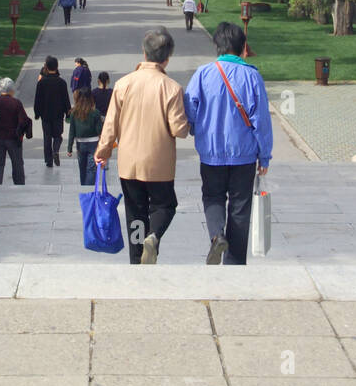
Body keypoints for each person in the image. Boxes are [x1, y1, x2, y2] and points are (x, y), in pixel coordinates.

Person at [95, 27, 190, 265]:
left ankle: (137, 258)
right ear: (168, 57)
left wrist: (103, 151)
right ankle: (154, 236)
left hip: (129, 162)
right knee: (164, 205)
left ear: (143, 53)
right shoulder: (172, 88)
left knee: (135, 212)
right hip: (158, 163)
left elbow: (110, 125)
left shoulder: (123, 84)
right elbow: (179, 129)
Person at [183, 22, 273, 265]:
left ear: (217, 46)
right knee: (240, 208)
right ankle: (234, 264)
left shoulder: (203, 74)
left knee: (212, 197)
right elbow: (261, 121)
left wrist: (195, 128)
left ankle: (216, 235)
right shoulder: (253, 76)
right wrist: (264, 156)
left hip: (211, 153)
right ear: (243, 47)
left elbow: (189, 108)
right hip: (243, 155)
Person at [0, 77, 33, 185]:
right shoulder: (16, 103)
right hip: (13, 139)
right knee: (17, 163)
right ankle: (19, 184)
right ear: (11, 89)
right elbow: (23, 120)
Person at [33, 55, 71, 167]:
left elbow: (37, 99)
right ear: (57, 66)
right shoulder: (62, 83)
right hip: (58, 115)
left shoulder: (42, 83)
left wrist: (37, 113)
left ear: (46, 67)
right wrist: (68, 112)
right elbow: (66, 99)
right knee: (58, 136)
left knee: (47, 137)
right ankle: (56, 150)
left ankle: (48, 160)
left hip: (45, 115)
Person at [66, 89, 105, 187]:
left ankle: (83, 186)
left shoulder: (74, 113)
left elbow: (72, 131)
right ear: (91, 99)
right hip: (94, 143)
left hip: (80, 144)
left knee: (82, 168)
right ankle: (88, 188)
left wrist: (69, 148)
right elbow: (99, 131)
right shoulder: (95, 113)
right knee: (91, 168)